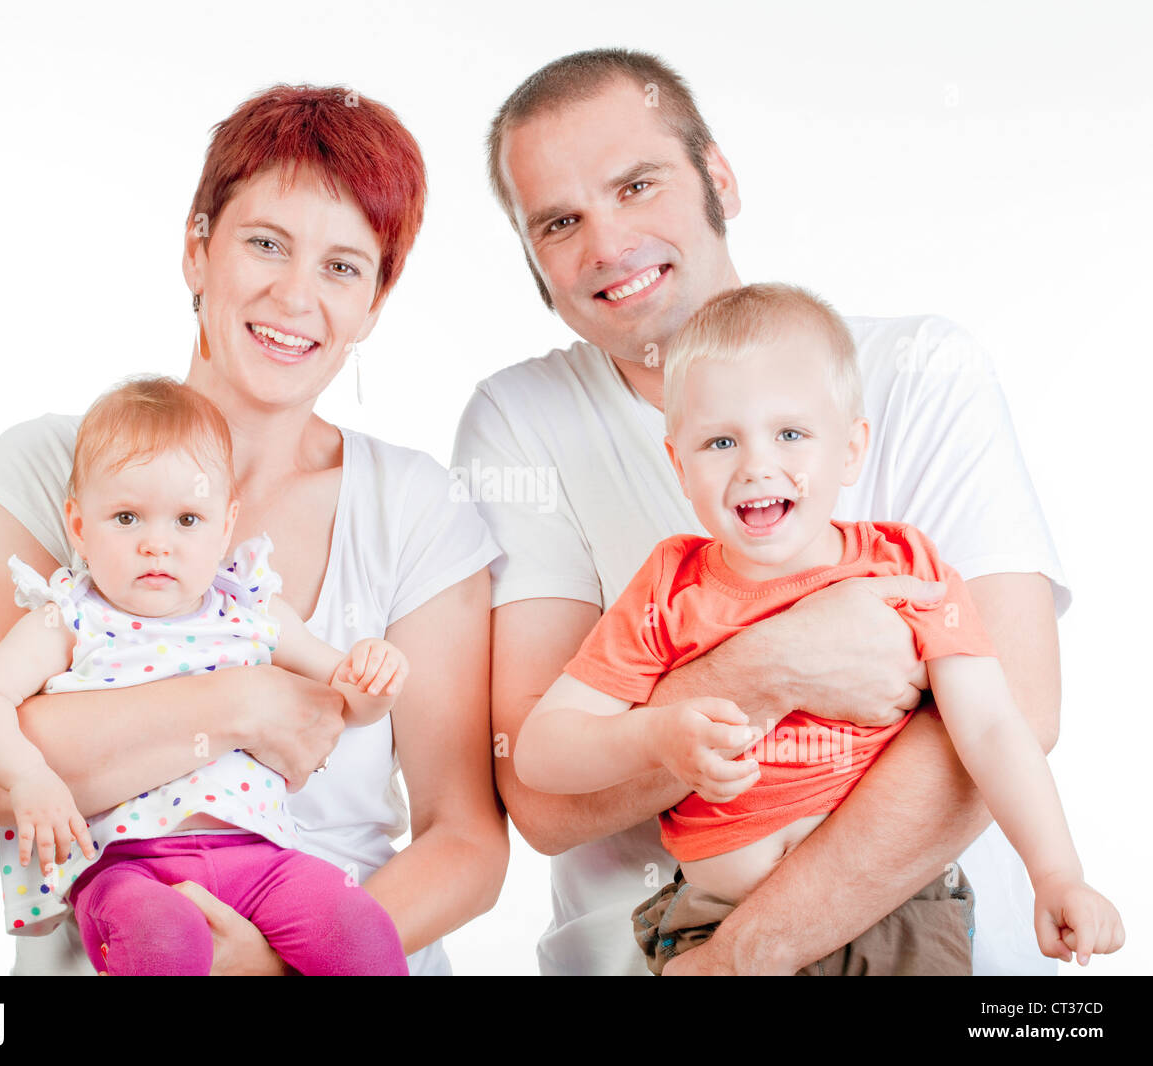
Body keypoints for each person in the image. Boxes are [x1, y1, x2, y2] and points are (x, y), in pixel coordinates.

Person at [453, 48, 1067, 975]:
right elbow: (542, 799)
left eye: (637, 184)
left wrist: (744, 957)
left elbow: (1012, 710)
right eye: (559, 221)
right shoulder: (520, 423)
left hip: (931, 942)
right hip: (644, 947)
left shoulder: (919, 371)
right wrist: (778, 667)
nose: (607, 244)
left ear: (719, 179)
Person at [0, 84, 508, 977]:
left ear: (377, 303)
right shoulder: (50, 469)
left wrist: (267, 964)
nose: (295, 294)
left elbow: (466, 840)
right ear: (197, 249)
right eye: (266, 243)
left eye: (344, 267)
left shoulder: (415, 506)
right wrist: (243, 705)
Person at [512, 283, 1123, 975]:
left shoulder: (905, 568)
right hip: (715, 928)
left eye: (791, 434)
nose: (756, 465)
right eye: (720, 441)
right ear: (680, 464)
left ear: (852, 449)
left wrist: (1058, 872)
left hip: (901, 917)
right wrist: (656, 734)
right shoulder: (669, 587)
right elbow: (542, 755)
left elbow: (992, 726)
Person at [0, 377, 411, 975]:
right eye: (127, 517)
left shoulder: (249, 609)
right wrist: (26, 776)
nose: (156, 545)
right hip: (127, 869)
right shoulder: (70, 617)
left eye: (187, 519)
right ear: (80, 527)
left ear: (225, 527)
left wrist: (374, 677)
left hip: (260, 860)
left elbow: (345, 700)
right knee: (162, 939)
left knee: (360, 929)